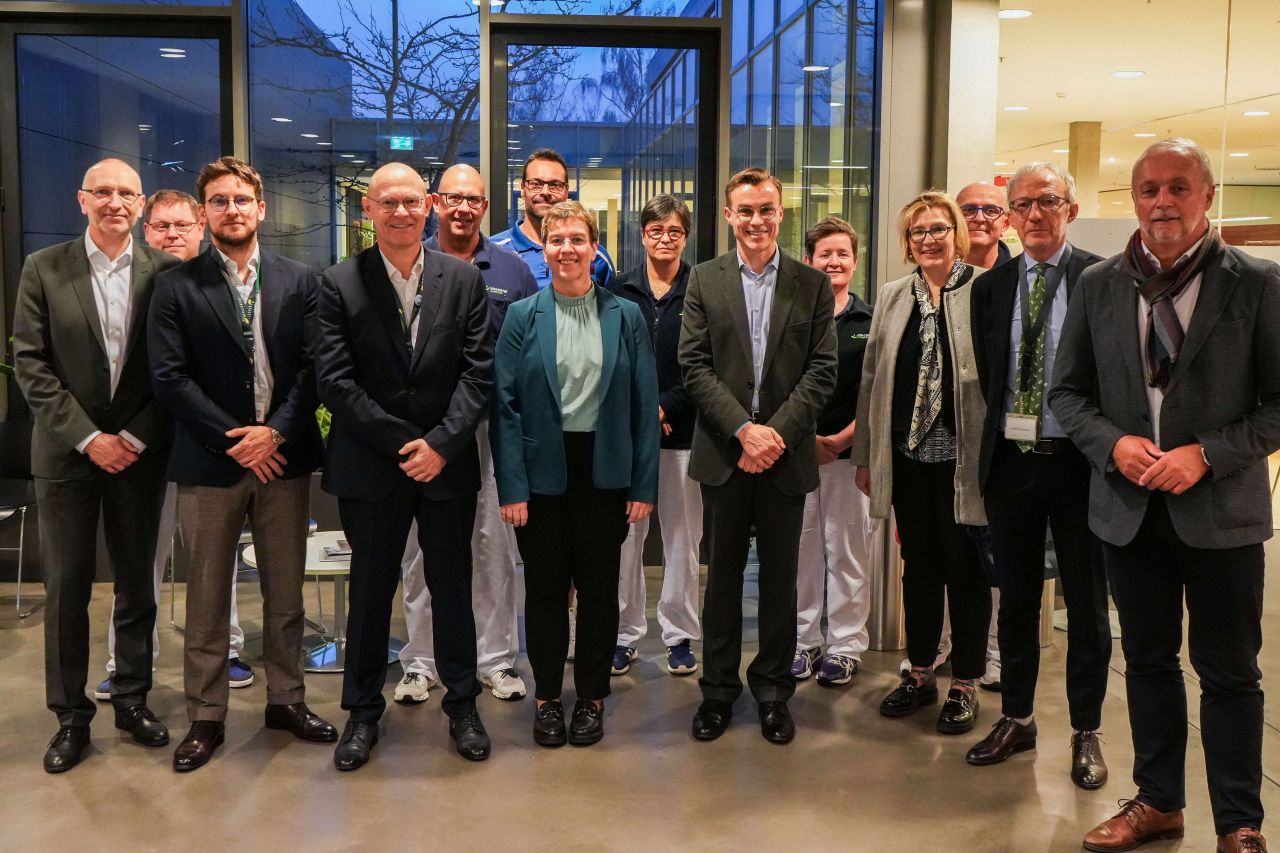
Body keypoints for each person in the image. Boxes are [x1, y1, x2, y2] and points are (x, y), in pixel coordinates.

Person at [1052, 138, 1280, 853]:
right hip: (1129, 509)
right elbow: (1066, 392)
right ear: (1134, 199)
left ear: (1207, 196)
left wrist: (1207, 455)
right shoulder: (1098, 285)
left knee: (1230, 673)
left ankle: (1240, 820)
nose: (1162, 203)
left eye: (1179, 188)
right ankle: (1158, 801)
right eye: (1149, 189)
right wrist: (1113, 443)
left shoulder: (1258, 283)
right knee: (1147, 662)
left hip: (1223, 515)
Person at [148, 156, 337, 772]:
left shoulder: (299, 280)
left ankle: (286, 699)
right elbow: (170, 379)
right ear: (205, 213)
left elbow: (313, 369)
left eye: (242, 199)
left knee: (286, 593)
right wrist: (237, 440)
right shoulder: (176, 286)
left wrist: (274, 434)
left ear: (262, 209)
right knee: (206, 597)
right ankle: (207, 714)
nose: (232, 209)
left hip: (282, 461)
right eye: (220, 201)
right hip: (210, 462)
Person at [316, 162, 494, 770]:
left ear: (431, 207)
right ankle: (362, 714)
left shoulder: (463, 279)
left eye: (411, 202)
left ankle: (463, 704)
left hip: (446, 464)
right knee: (370, 590)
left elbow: (478, 374)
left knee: (452, 587)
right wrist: (405, 444)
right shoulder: (337, 283)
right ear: (369, 210)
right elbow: (335, 381)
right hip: (371, 465)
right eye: (387, 202)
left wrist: (441, 444)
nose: (399, 212)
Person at [14, 158, 179, 772]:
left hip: (140, 453)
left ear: (141, 205)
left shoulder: (166, 274)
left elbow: (174, 372)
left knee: (137, 583)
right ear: (82, 199)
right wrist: (89, 438)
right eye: (103, 192)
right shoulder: (44, 269)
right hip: (67, 456)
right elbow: (31, 366)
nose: (115, 202)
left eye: (126, 193)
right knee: (67, 587)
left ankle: (132, 700)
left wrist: (134, 436)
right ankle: (70, 718)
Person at [965, 162, 1111, 790]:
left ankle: (1087, 730)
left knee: (1085, 604)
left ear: (1070, 209)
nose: (1033, 214)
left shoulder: (1105, 280)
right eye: (1020, 204)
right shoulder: (990, 287)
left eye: (1047, 201)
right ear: (1009, 215)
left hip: (1081, 464)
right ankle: (1018, 717)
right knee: (1017, 600)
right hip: (1011, 464)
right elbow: (993, 378)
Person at [491, 200, 658, 748]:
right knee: (542, 593)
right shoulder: (522, 315)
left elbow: (643, 404)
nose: (566, 249)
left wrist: (642, 485)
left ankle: (590, 697)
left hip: (606, 473)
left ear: (594, 246)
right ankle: (545, 698)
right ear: (542, 246)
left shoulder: (625, 315)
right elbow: (505, 407)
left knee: (599, 593)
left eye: (577, 240)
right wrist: (512, 486)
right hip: (541, 478)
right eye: (555, 239)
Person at [679, 167, 837, 745]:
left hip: (784, 458)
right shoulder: (704, 279)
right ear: (728, 216)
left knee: (779, 583)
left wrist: (773, 436)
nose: (756, 221)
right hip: (724, 455)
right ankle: (717, 692)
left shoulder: (811, 283)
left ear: (781, 212)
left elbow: (822, 372)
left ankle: (773, 691)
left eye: (766, 209)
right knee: (720, 583)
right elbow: (693, 366)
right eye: (744, 211)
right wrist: (744, 433)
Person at [96, 189, 254, 701]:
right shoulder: (140, 285)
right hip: (140, 447)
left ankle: (227, 649)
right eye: (161, 227)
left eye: (182, 227)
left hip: (203, 443)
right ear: (147, 230)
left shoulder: (220, 285)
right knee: (140, 561)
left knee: (214, 558)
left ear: (201, 227)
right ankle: (126, 662)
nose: (171, 236)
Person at [393, 163, 538, 705]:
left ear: (485, 207)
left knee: (493, 547)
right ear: (436, 202)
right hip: (426, 436)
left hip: (490, 430)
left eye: (472, 200)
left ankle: (496, 659)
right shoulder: (413, 260)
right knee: (420, 550)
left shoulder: (512, 270)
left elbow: (525, 355)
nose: (462, 208)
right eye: (452, 198)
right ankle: (422, 661)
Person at [850, 190, 990, 736]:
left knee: (967, 570)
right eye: (917, 232)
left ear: (956, 232)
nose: (928, 239)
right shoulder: (892, 295)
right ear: (907, 243)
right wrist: (867, 457)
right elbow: (871, 379)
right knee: (921, 570)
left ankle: (966, 682)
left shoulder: (984, 291)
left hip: (966, 462)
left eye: (937, 228)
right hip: (907, 457)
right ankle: (921, 671)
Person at [607, 194, 703, 678]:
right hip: (629, 434)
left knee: (683, 537)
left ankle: (679, 634)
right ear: (642, 234)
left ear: (685, 236)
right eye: (655, 230)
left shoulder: (703, 286)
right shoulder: (618, 287)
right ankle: (623, 636)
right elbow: (608, 357)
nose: (665, 239)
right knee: (626, 537)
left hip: (685, 433)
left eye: (674, 231)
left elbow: (708, 362)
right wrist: (642, 410)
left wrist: (666, 406)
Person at [792, 217, 877, 687]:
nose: (834, 261)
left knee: (846, 554)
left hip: (847, 459)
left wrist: (842, 441)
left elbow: (877, 392)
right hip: (800, 457)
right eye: (824, 253)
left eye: (842, 253)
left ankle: (845, 645)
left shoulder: (871, 321)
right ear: (809, 261)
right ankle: (804, 642)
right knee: (801, 553)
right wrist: (807, 442)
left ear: (855, 261)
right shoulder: (795, 317)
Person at [492, 148, 615, 290]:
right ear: (522, 189)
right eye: (536, 184)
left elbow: (612, 308)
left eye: (555, 185)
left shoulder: (594, 255)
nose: (545, 192)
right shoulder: (493, 251)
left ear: (566, 191)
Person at [957, 181, 1012, 270]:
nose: (979, 219)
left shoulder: (1022, 278)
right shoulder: (934, 275)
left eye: (991, 211)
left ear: (1005, 225)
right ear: (953, 219)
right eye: (969, 210)